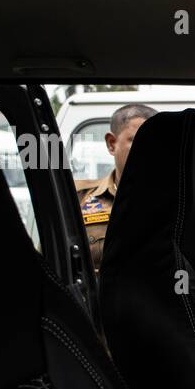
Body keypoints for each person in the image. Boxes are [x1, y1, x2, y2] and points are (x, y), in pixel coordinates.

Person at [75, 103, 157, 273]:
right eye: (138, 140)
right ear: (112, 144)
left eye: (155, 141)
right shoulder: (78, 198)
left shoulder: (178, 202)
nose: (149, 149)